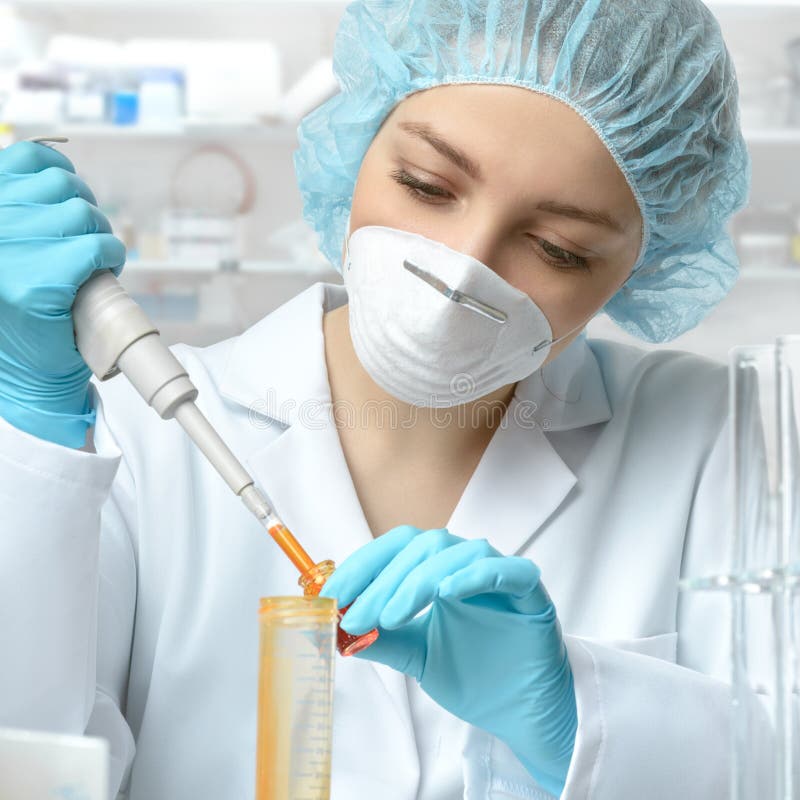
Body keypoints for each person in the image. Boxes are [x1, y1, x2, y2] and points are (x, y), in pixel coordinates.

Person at [0, 0, 773, 797]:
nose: (461, 271)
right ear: (359, 142)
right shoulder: (140, 434)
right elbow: (28, 763)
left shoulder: (722, 440)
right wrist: (33, 439)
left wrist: (578, 717)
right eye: (427, 185)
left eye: (558, 249)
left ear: (639, 270)